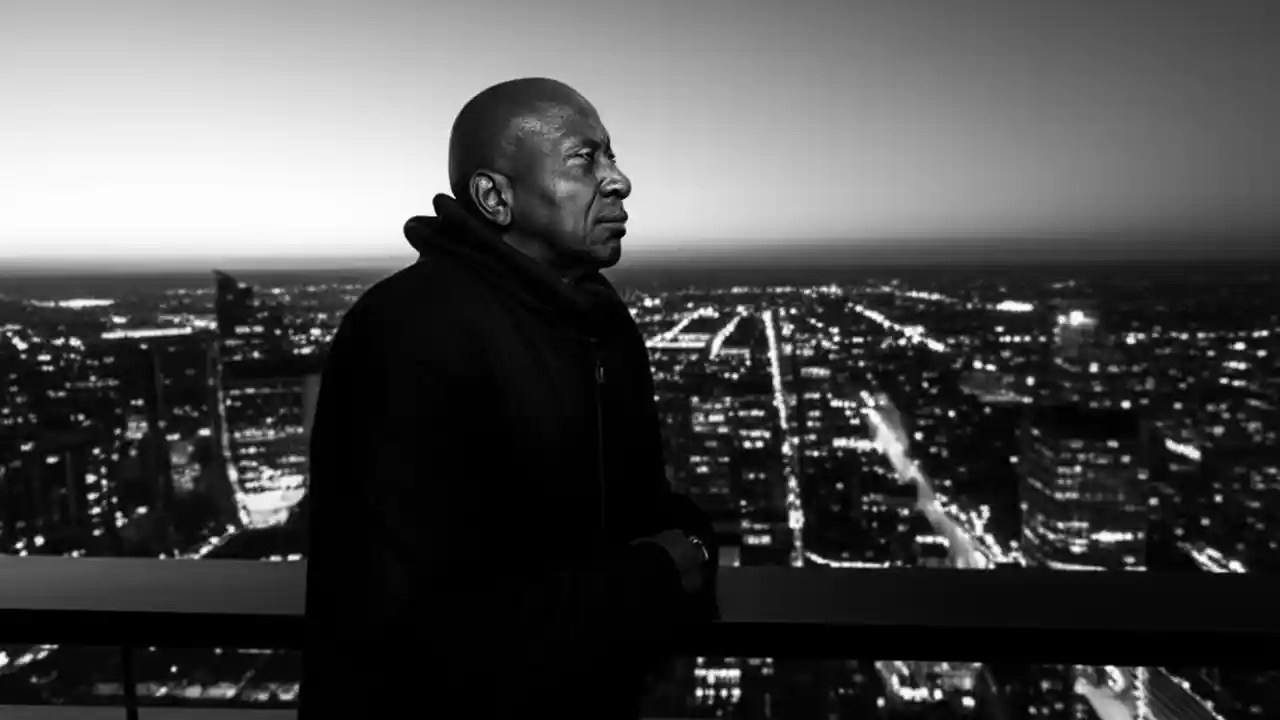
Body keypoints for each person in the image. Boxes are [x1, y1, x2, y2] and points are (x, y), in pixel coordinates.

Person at [300, 77, 719, 719]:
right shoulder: (407, 330)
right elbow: (414, 619)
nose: (619, 180)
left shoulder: (599, 325)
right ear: (495, 197)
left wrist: (690, 543)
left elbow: (635, 508)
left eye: (611, 155)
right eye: (585, 159)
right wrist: (660, 578)